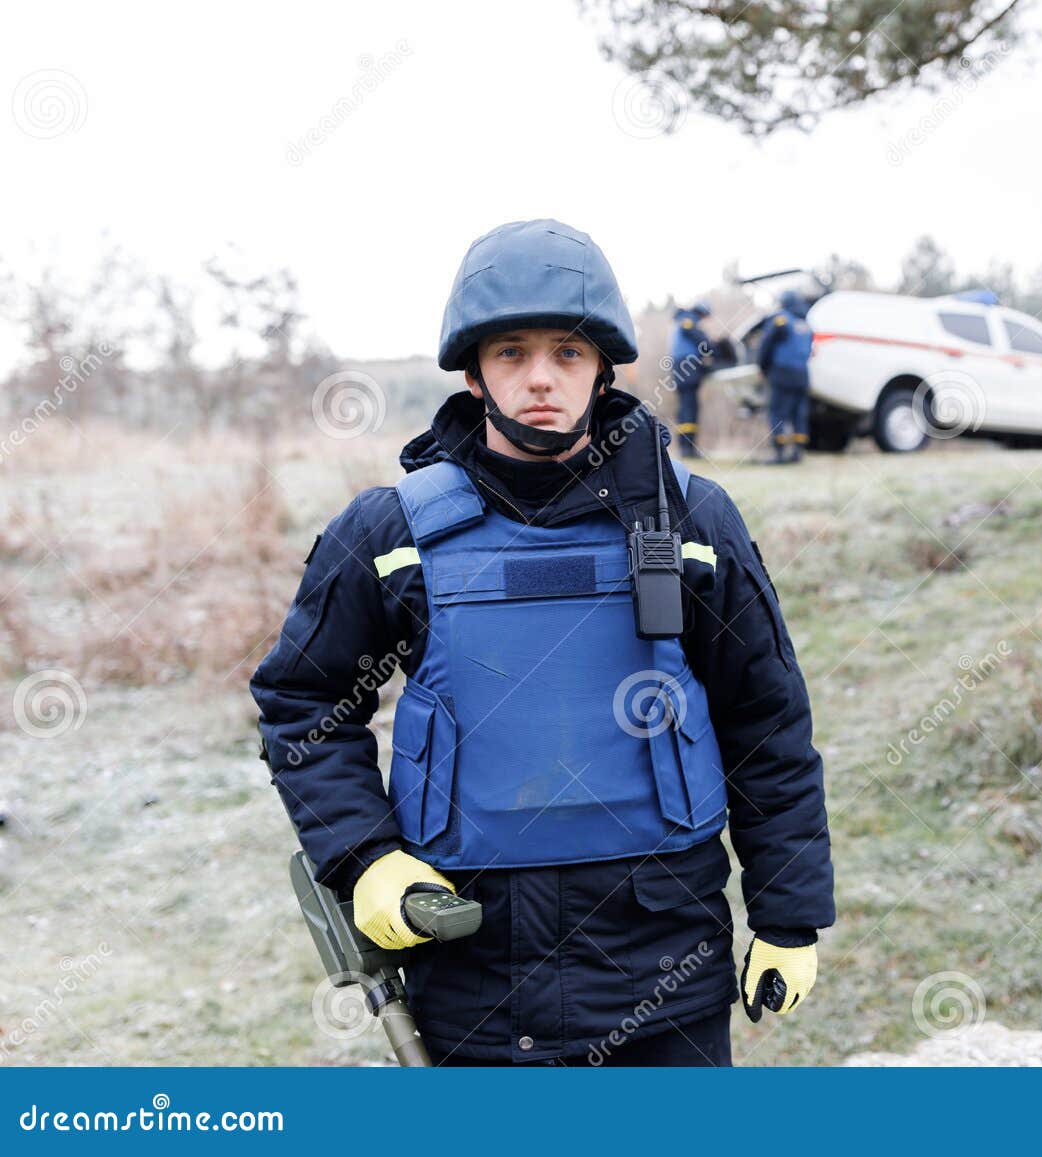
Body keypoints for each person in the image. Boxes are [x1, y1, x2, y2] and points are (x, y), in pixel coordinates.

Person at [251, 219, 834, 1066]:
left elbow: (766, 720)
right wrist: (365, 858)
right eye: (512, 352)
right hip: (473, 970)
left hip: (664, 967)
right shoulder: (390, 532)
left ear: (603, 365)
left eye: (567, 353)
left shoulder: (693, 521)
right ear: (474, 369)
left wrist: (788, 913)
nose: (540, 379)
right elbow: (300, 702)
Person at [756, 290, 813, 465]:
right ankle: (797, 453)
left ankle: (779, 454)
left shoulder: (781, 319)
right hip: (802, 374)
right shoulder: (805, 323)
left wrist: (762, 367)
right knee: (798, 413)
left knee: (777, 412)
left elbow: (766, 345)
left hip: (782, 373)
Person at [668, 302, 713, 459]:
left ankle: (686, 447)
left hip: (681, 368)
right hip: (687, 367)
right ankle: (688, 449)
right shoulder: (688, 320)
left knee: (685, 408)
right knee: (689, 408)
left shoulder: (682, 321)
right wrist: (710, 346)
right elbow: (699, 338)